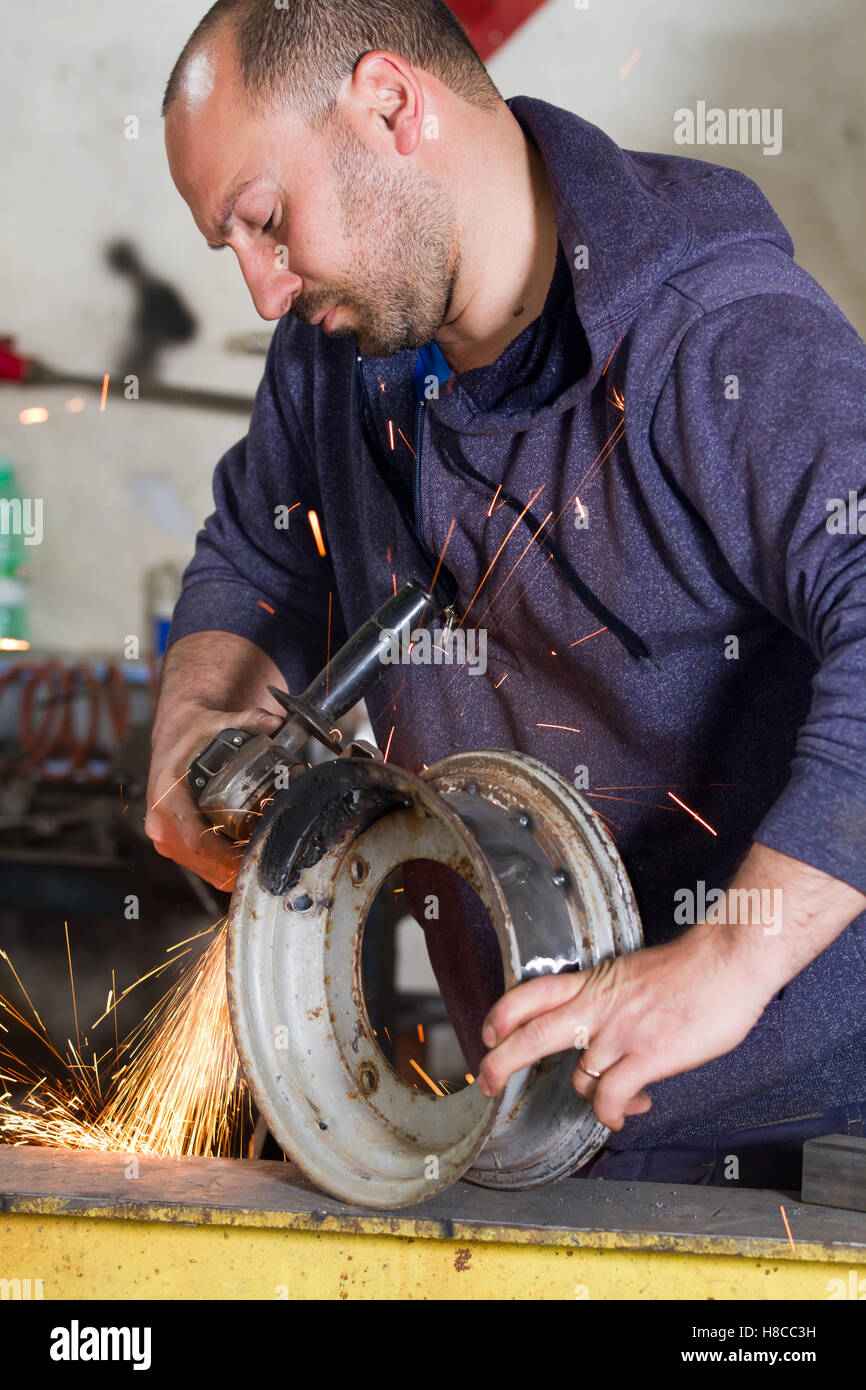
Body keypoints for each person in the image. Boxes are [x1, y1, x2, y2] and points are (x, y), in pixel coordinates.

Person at [146, 0, 866, 1186]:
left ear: (389, 105)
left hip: (806, 1115)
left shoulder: (717, 343)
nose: (262, 293)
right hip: (543, 1095)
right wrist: (196, 728)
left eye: (267, 223)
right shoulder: (343, 353)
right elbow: (262, 557)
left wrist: (728, 964)